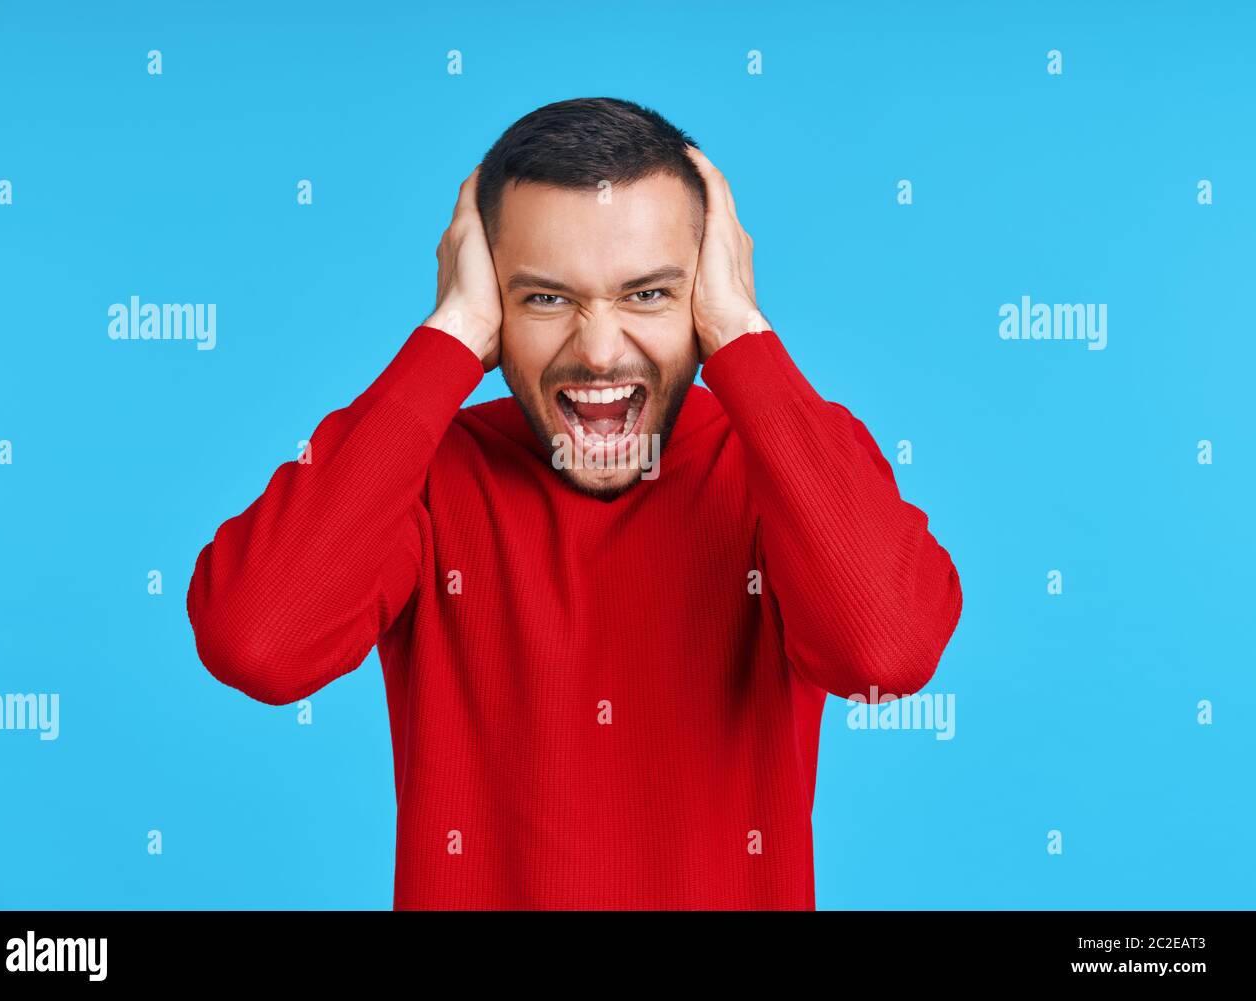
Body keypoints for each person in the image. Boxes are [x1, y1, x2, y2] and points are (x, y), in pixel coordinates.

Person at [186, 97, 963, 910]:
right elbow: (256, 641)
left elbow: (887, 652)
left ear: (707, 286)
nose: (598, 350)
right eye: (546, 299)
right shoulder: (423, 470)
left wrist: (740, 334)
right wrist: (448, 336)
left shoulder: (780, 464)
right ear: (492, 302)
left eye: (649, 295)